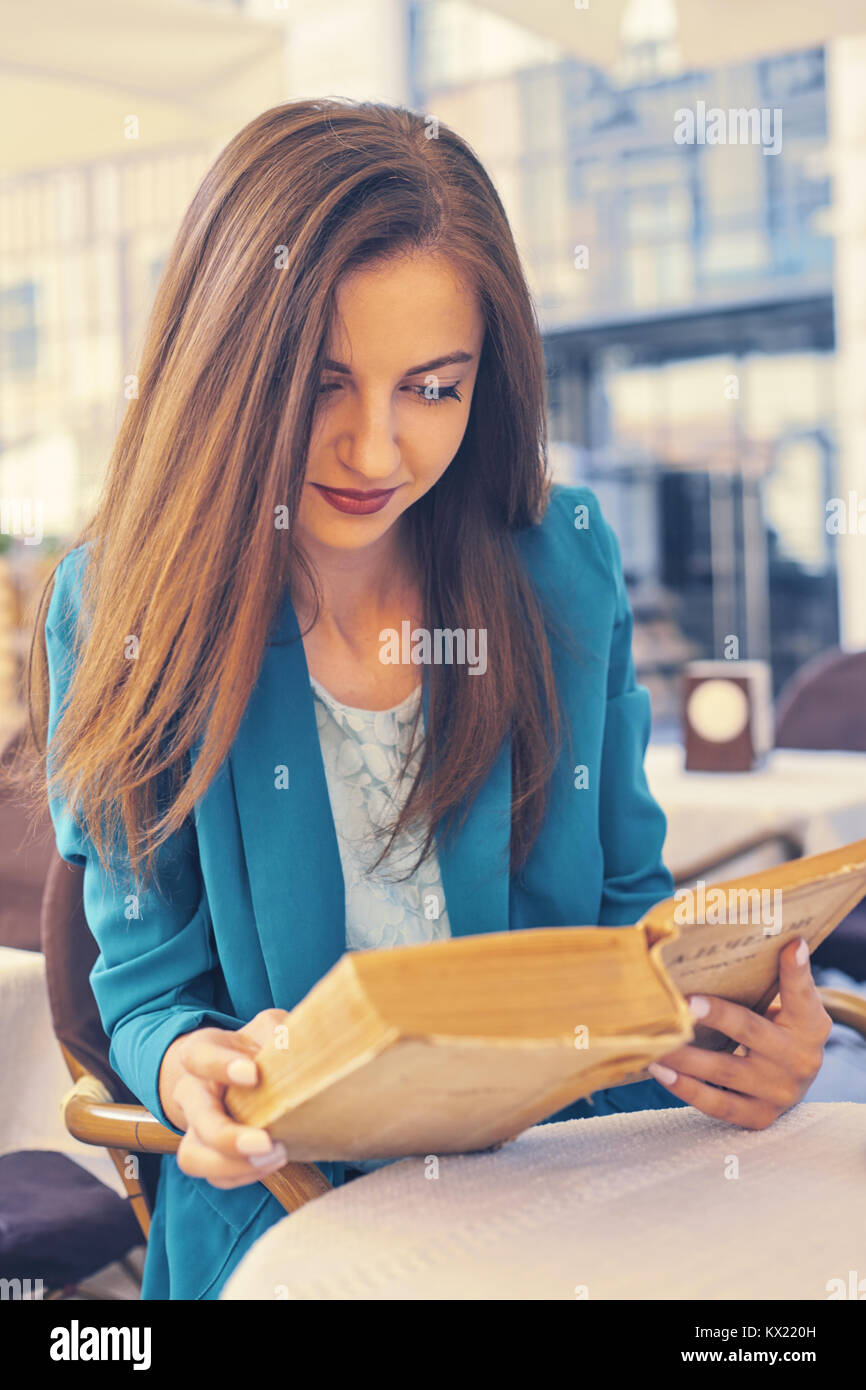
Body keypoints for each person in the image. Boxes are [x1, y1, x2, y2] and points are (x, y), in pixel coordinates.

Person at [27, 99, 831, 1300]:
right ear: (231, 368)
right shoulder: (124, 607)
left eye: (432, 389)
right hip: (294, 1210)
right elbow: (147, 992)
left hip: (580, 1181)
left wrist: (744, 1042)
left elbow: (626, 921)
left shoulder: (558, 563)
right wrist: (190, 1061)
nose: (373, 451)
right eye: (323, 385)